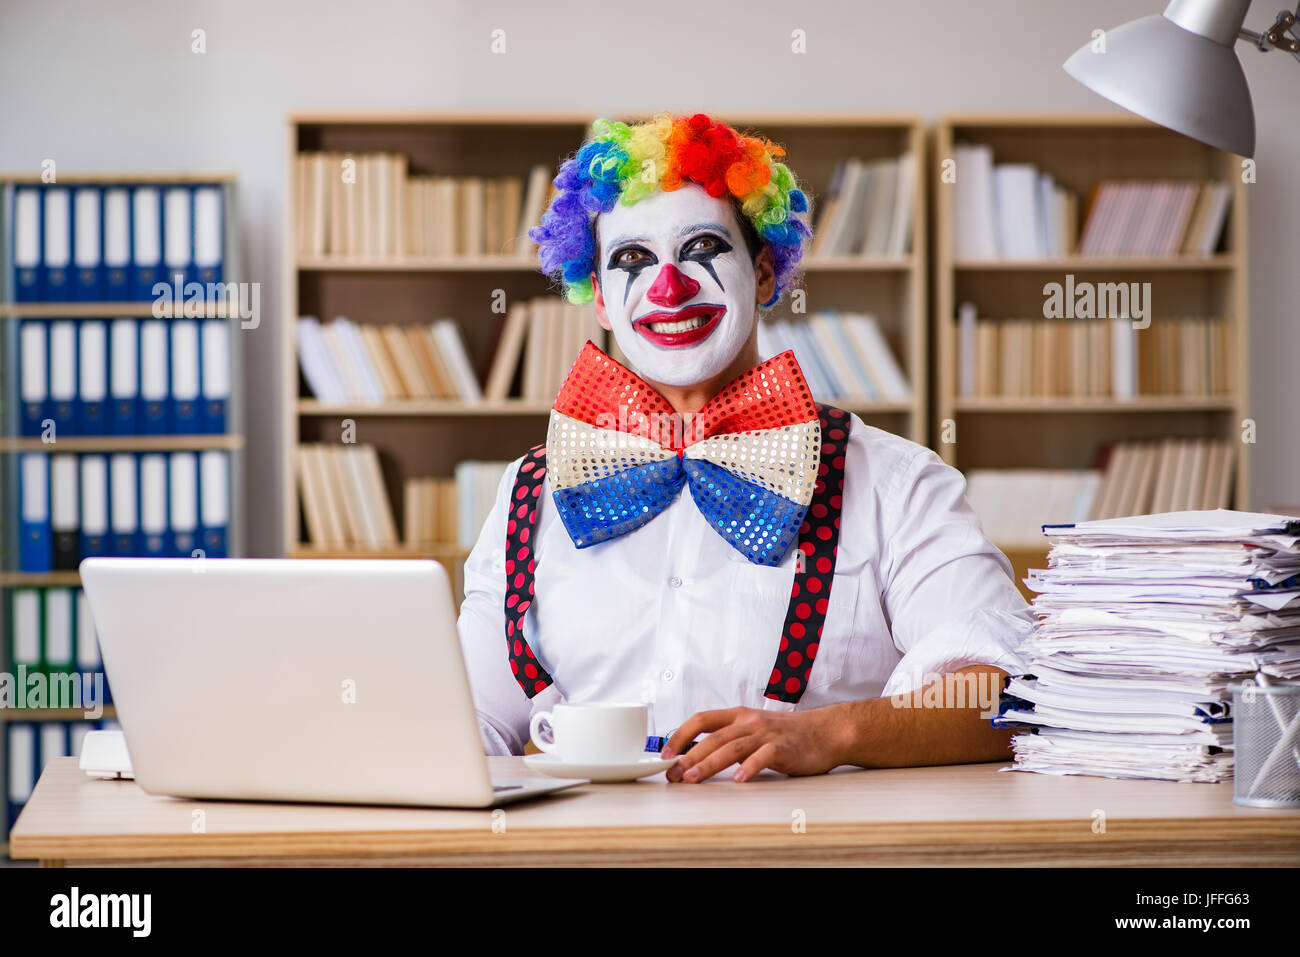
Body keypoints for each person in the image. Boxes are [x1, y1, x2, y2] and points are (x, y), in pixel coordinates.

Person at [455, 112, 1031, 783]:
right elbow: (470, 716)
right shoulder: (530, 490)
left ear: (762, 274)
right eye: (633, 260)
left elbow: (1007, 693)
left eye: (700, 248)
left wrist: (833, 731)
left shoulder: (895, 482)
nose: (668, 287)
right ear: (603, 301)